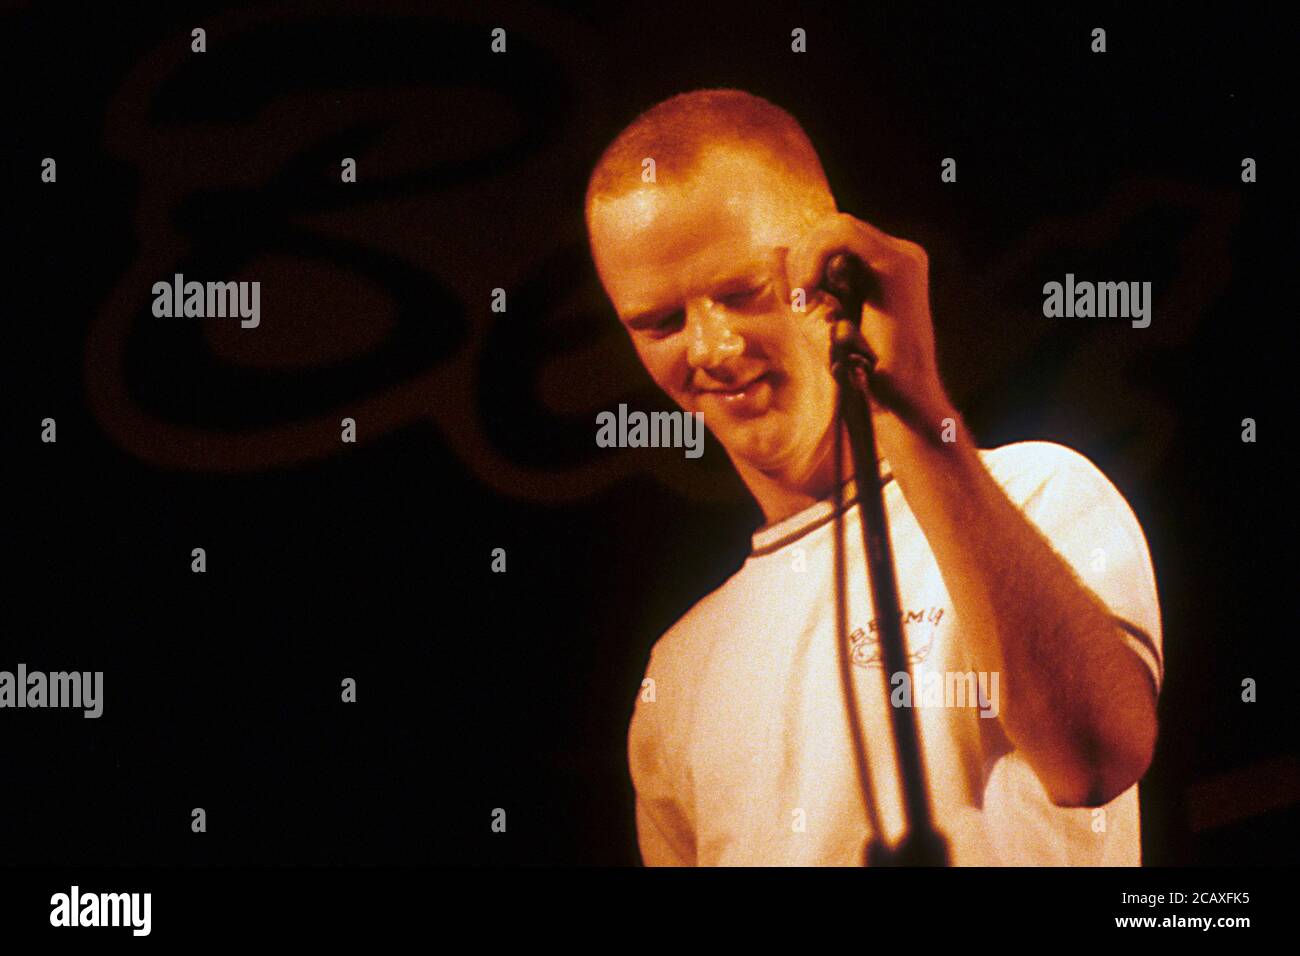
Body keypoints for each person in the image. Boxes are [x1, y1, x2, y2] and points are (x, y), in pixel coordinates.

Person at [585, 89, 1163, 865]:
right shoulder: (678, 675)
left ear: (834, 266)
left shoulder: (1040, 494)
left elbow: (1095, 757)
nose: (712, 347)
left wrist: (912, 407)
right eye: (659, 322)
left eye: (742, 293)